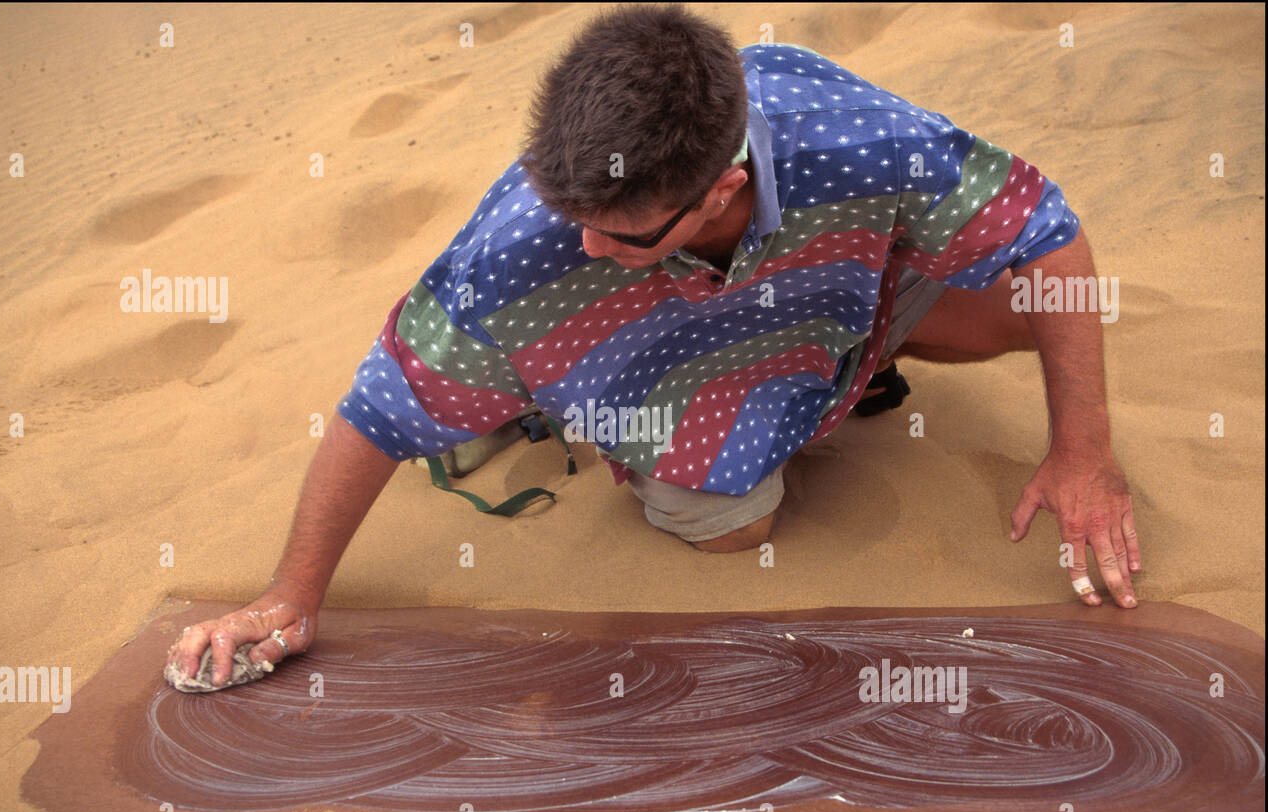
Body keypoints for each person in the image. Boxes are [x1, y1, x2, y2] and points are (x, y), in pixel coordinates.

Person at [166, 5, 1141, 688]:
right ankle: (567, 403)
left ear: (722, 188)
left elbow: (1045, 229)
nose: (586, 247)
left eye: (620, 234)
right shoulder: (526, 256)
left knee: (1024, 311)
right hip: (653, 370)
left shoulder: (851, 138)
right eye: (570, 214)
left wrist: (1082, 455)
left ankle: (857, 364)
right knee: (736, 526)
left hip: (836, 286)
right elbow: (381, 407)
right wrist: (289, 597)